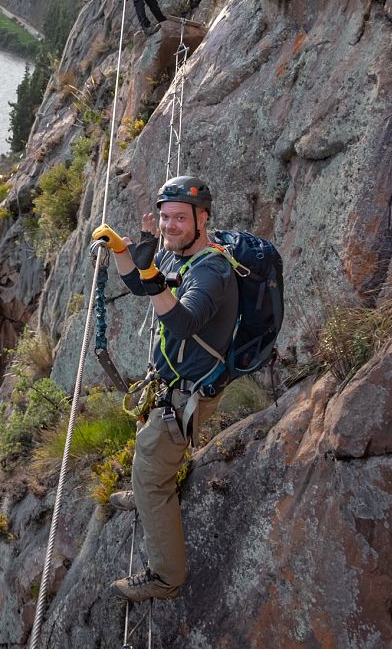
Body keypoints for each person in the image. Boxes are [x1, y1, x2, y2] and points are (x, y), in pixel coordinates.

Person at [90, 176, 238, 602]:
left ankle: (166, 578)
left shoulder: (212, 270)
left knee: (153, 479)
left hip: (188, 393)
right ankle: (146, 486)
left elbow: (184, 321)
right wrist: (122, 251)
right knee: (148, 453)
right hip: (171, 386)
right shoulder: (179, 255)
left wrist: (152, 274)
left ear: (202, 218)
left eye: (179, 218)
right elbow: (142, 285)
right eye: (165, 217)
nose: (169, 225)